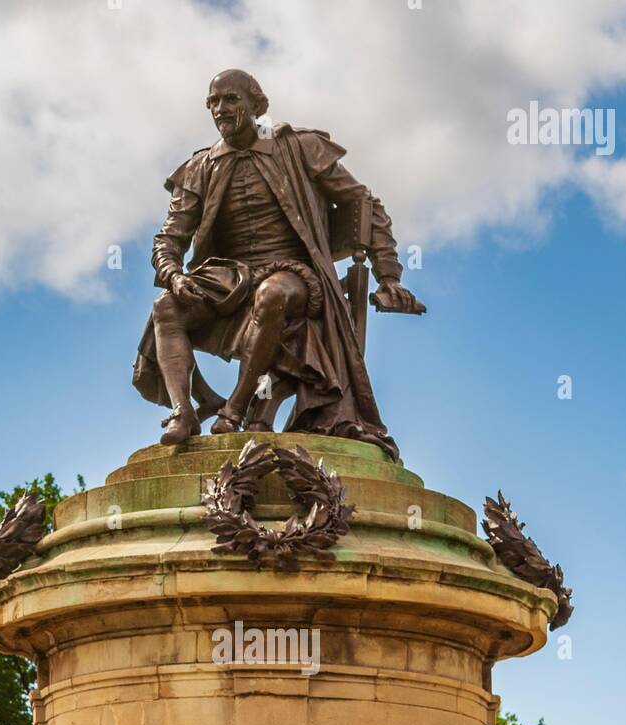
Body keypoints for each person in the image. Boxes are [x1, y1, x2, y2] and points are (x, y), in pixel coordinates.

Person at [133, 69, 424, 454]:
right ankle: (184, 412)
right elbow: (169, 238)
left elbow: (364, 204)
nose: (220, 109)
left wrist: (388, 276)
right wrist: (172, 274)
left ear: (257, 105)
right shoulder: (200, 167)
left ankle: (235, 409)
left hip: (293, 274)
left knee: (271, 294)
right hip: (229, 279)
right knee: (165, 307)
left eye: (231, 99)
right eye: (213, 102)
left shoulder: (298, 147)